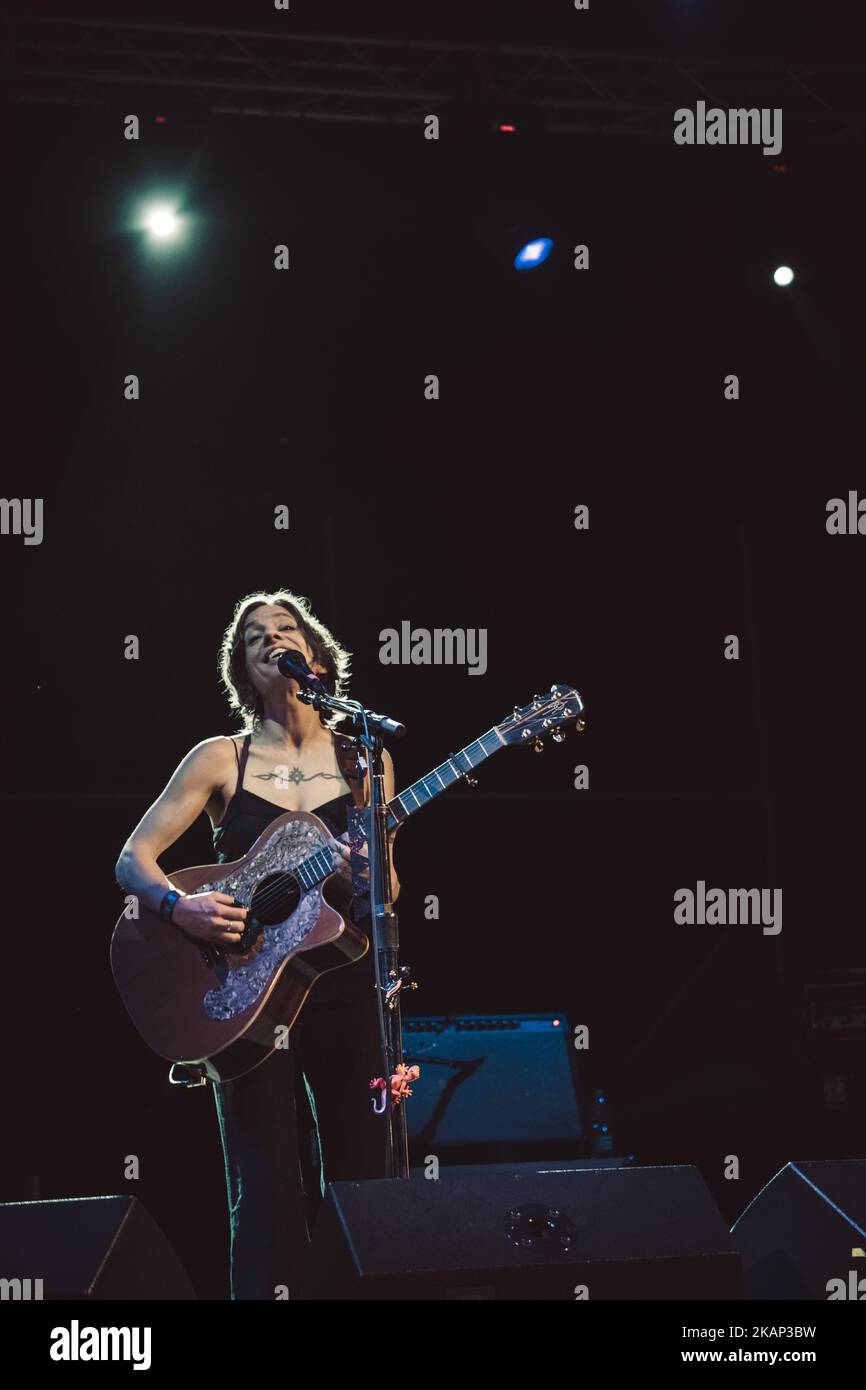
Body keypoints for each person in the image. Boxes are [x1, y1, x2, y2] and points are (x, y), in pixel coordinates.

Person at [114, 588, 399, 1298]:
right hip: (240, 990)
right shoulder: (222, 758)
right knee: (267, 1182)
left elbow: (387, 893)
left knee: (368, 1177)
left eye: (285, 628)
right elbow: (133, 860)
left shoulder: (367, 759)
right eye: (253, 638)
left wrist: (370, 872)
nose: (272, 639)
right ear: (244, 671)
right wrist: (184, 909)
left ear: (314, 654)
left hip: (342, 979)